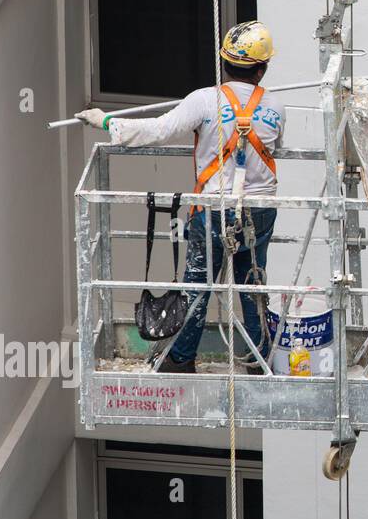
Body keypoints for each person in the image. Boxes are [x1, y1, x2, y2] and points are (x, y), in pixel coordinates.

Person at [77, 21, 285, 373]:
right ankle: (257, 361)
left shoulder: (204, 101)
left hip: (215, 212)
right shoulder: (276, 107)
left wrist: (107, 121)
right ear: (262, 69)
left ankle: (181, 358)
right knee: (252, 284)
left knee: (198, 285)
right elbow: (273, 147)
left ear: (224, 63)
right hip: (260, 209)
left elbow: (159, 130)